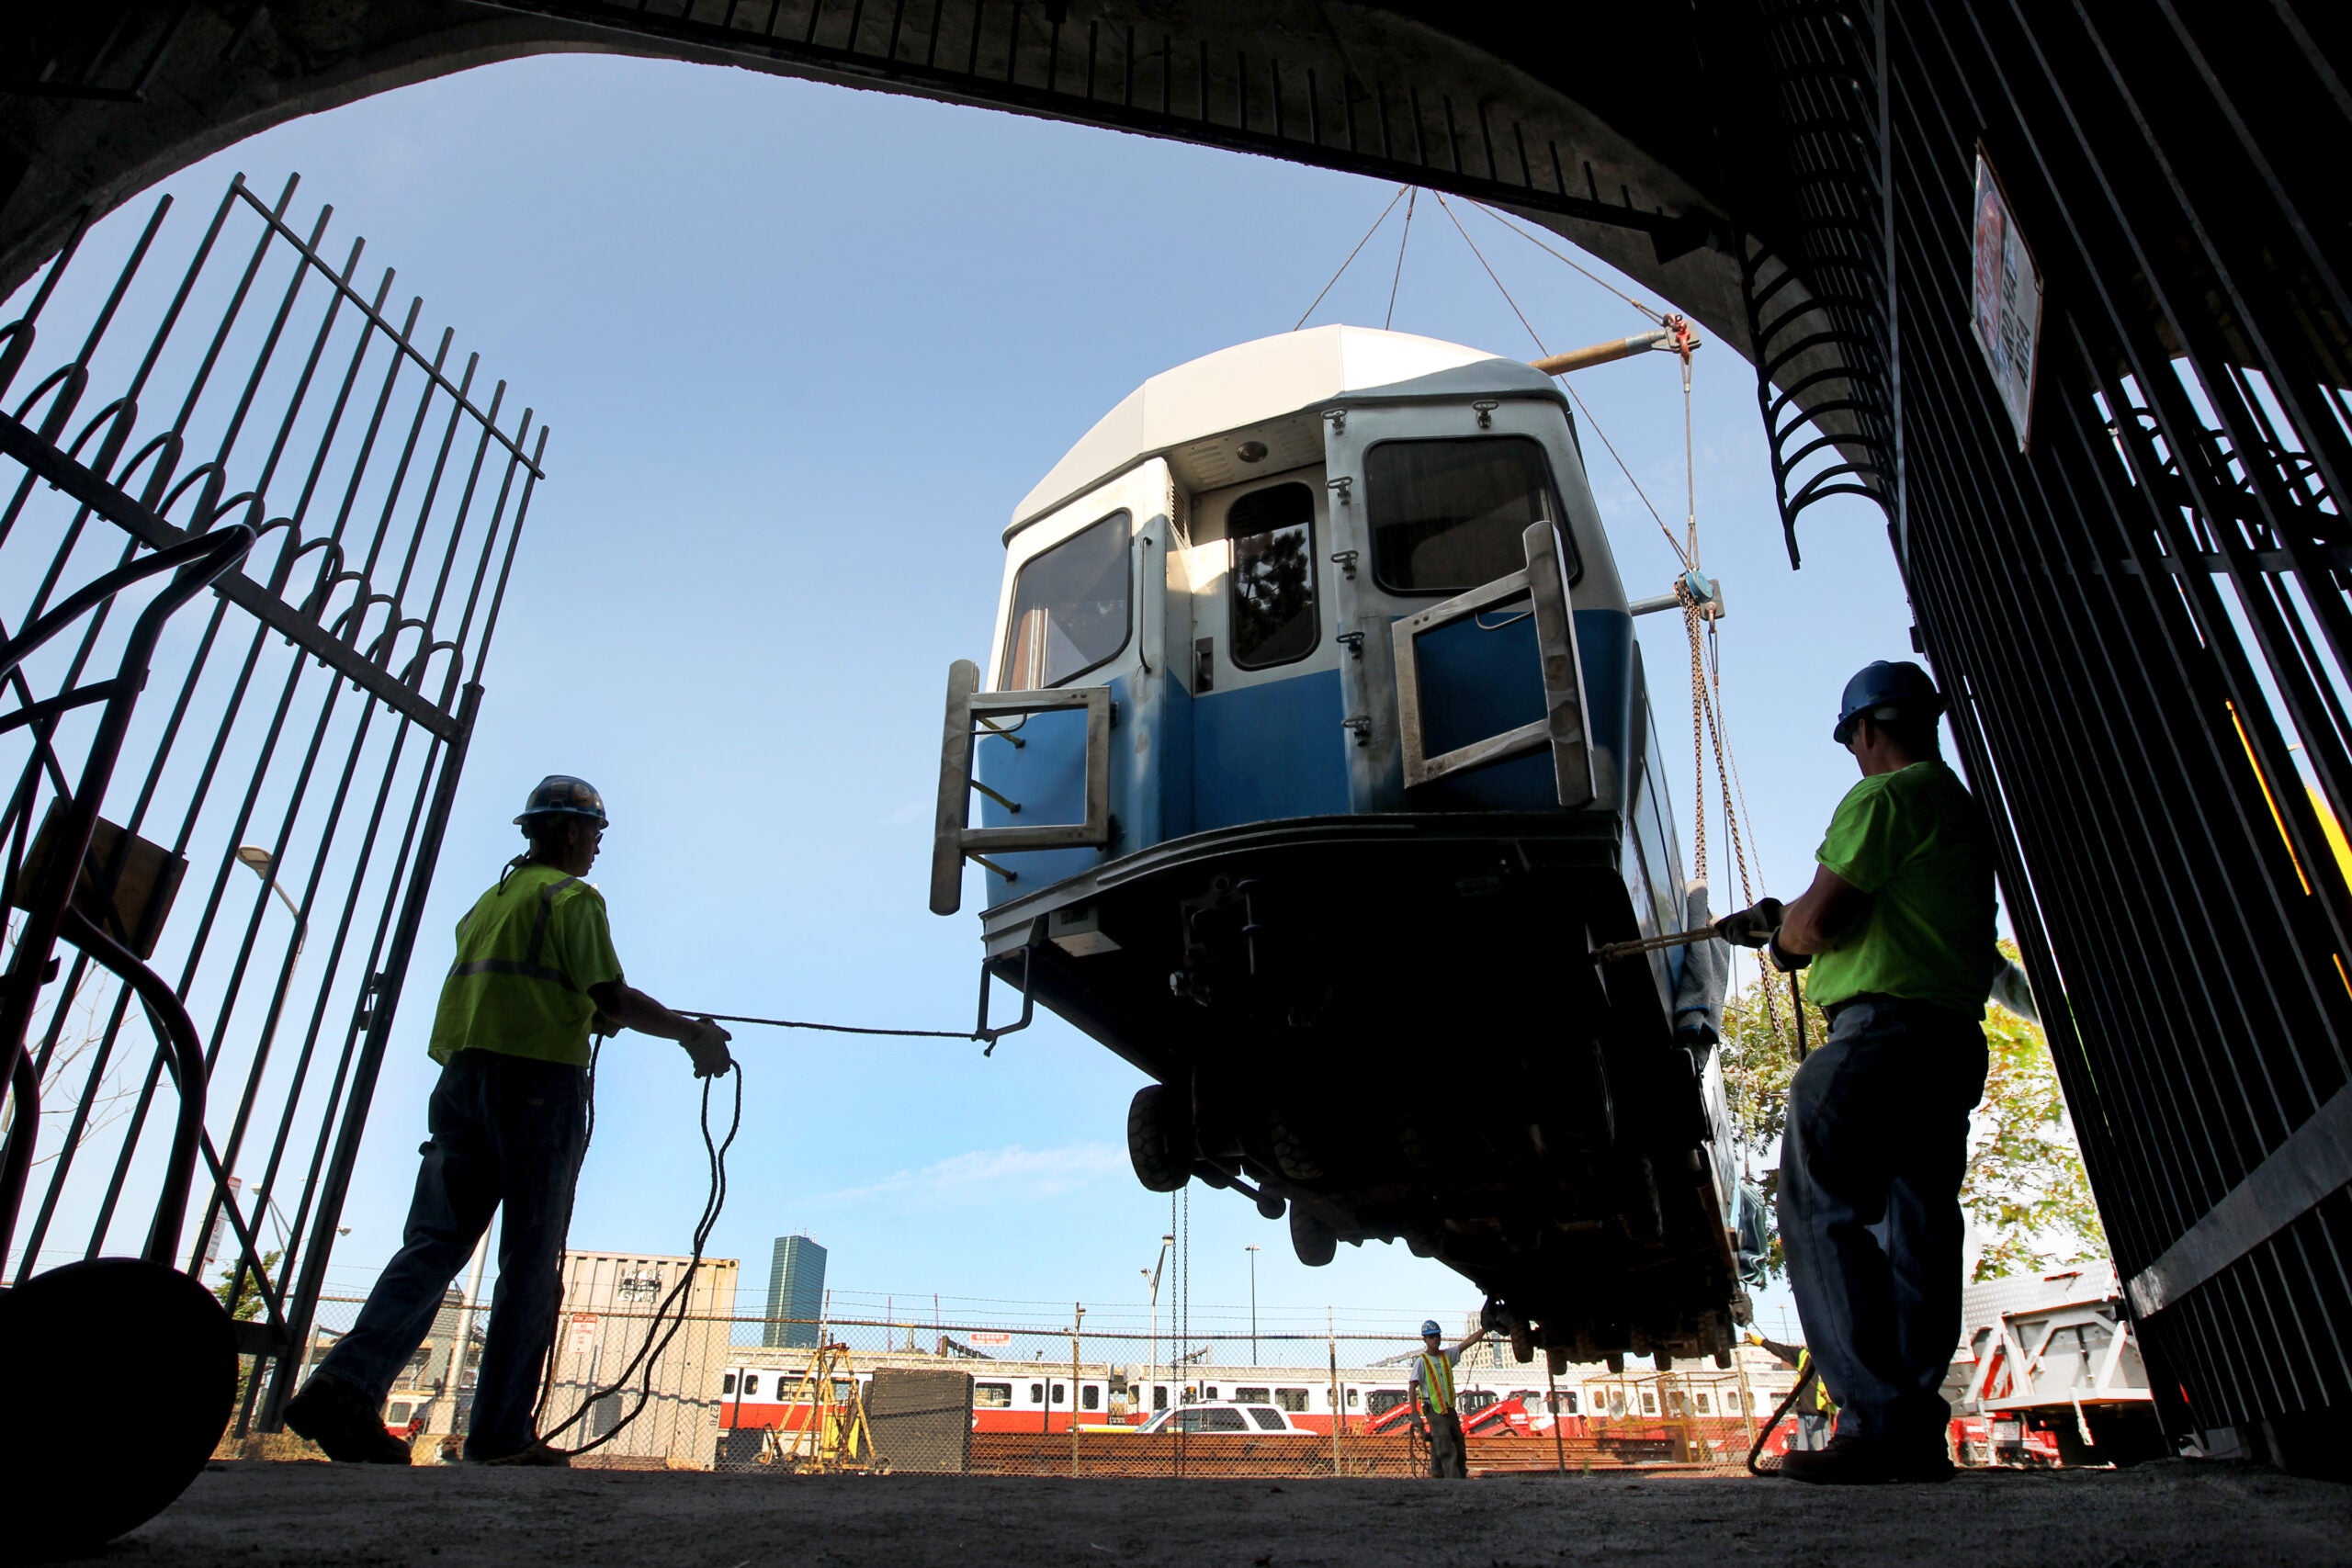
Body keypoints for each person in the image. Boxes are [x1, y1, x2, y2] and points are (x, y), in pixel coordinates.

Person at [283, 775, 734, 1466]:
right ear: (573, 832)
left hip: (462, 1081)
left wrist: (585, 1012)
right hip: (537, 1089)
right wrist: (689, 1033)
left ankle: (343, 1384)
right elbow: (608, 994)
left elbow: (539, 988)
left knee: (433, 1244)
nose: (597, 848)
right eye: (596, 835)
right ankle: (498, 1433)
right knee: (529, 1259)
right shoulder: (572, 897)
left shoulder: (490, 903)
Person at [1714, 661, 1997, 1485]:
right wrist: (1795, 918)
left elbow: (1821, 920)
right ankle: (1911, 1426)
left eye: (1852, 740)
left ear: (1864, 731)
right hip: (1947, 1045)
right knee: (1918, 1225)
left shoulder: (1884, 797)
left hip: (1875, 1040)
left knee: (1818, 1207)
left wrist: (1783, 935)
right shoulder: (1960, 811)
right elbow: (1883, 910)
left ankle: (1873, 1423)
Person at [1408, 1317, 1493, 1478]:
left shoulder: (1447, 1356)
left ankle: (1441, 1474)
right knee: (1445, 1446)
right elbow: (1412, 1387)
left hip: (1449, 1409)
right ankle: (1454, 1481)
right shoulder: (1422, 1362)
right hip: (1434, 1410)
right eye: (1431, 1336)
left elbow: (1468, 1343)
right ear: (1425, 1339)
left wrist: (1484, 1330)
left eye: (1437, 1335)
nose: (1435, 1339)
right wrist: (1414, 1414)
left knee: (1457, 1443)